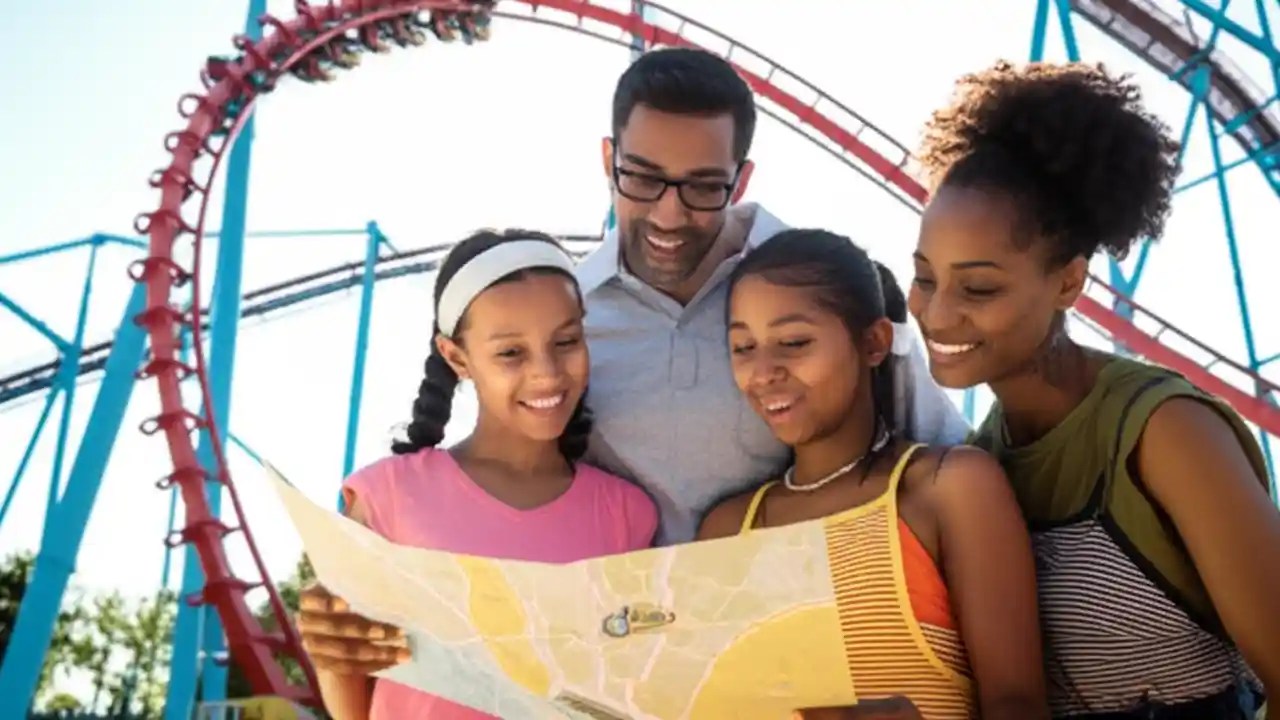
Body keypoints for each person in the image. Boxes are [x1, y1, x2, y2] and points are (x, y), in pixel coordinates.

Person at [909, 59, 1280, 718]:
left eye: (979, 287)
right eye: (925, 277)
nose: (937, 314)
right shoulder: (977, 460)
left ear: (1068, 284)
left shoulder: (1162, 432)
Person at [576, 47, 970, 546]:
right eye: (643, 178)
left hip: (810, 606)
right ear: (610, 161)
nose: (668, 215)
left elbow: (943, 450)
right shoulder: (569, 320)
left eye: (703, 186)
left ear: (740, 181)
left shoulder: (818, 290)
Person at [299, 229, 658, 720]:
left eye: (567, 341)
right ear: (457, 357)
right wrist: (327, 645)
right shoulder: (388, 498)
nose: (547, 373)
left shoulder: (626, 515)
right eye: (511, 353)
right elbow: (347, 686)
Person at [697, 229, 1048, 720]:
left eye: (794, 342)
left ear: (875, 342)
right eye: (742, 348)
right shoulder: (726, 530)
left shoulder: (948, 488)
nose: (763, 372)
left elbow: (1019, 704)